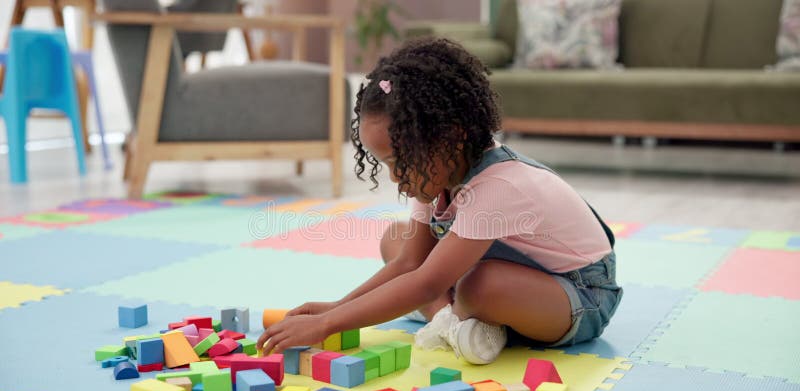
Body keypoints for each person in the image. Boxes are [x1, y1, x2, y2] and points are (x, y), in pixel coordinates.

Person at [257, 38, 622, 364]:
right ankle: (456, 323)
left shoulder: (498, 186)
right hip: (505, 273)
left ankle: (454, 315)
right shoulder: (438, 173)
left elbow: (427, 283)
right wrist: (337, 307)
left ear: (451, 139)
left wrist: (328, 324)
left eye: (400, 162)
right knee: (396, 240)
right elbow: (410, 263)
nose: (395, 177)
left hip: (580, 294)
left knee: (478, 285)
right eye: (386, 164)